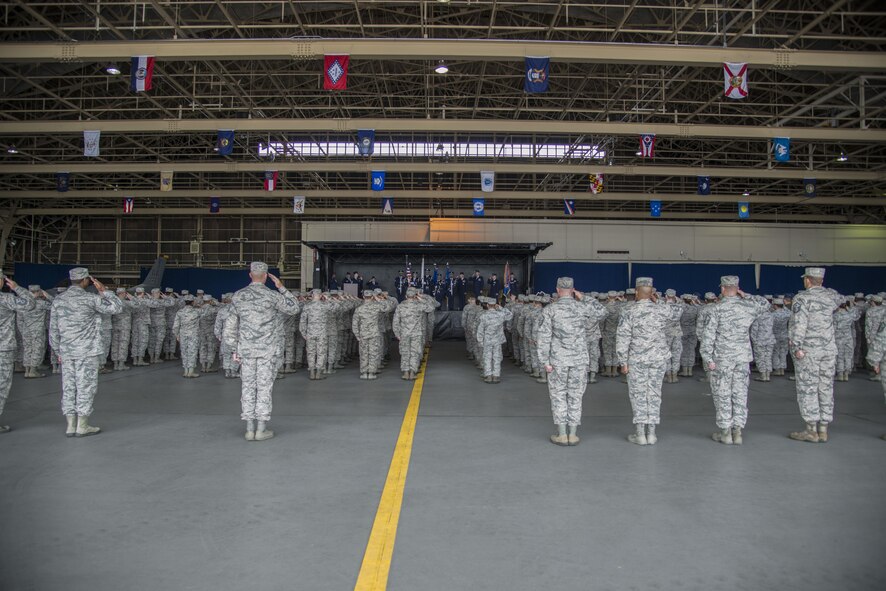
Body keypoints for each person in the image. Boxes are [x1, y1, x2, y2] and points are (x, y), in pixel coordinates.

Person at [223, 262, 300, 441]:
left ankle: (249, 429)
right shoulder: (272, 296)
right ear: (266, 276)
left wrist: (235, 348)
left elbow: (230, 327)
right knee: (264, 388)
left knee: (247, 387)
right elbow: (294, 308)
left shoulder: (239, 296)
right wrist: (281, 287)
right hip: (267, 351)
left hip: (246, 351)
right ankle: (261, 429)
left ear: (250, 275)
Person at [49, 268, 122, 437]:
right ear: (85, 281)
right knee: (85, 387)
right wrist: (105, 291)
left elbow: (53, 330)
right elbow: (117, 308)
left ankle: (70, 425)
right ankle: (82, 425)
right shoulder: (90, 299)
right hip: (86, 352)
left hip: (67, 352)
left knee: (68, 388)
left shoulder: (59, 300)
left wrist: (58, 350)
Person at [536, 277, 607, 446]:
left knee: (558, 395)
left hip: (557, 360)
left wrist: (544, 361)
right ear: (573, 290)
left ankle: (562, 434)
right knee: (576, 396)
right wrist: (584, 298)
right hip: (579, 360)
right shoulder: (582, 307)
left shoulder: (550, 310)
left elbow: (543, 337)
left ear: (557, 290)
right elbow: (603, 311)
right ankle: (573, 435)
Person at [700, 276, 770, 445]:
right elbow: (766, 304)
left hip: (722, 358)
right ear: (737, 288)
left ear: (722, 289)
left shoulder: (716, 309)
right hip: (742, 358)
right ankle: (737, 432)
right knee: (740, 393)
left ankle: (725, 432)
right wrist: (747, 296)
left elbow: (708, 336)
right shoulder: (748, 307)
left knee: (722, 394)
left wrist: (707, 358)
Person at [787, 268, 844, 443]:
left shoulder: (802, 298)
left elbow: (799, 324)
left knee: (808, 387)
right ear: (821, 280)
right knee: (826, 387)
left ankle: (811, 429)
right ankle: (824, 428)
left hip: (809, 350)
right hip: (828, 350)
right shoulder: (830, 297)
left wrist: (796, 347)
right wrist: (823, 287)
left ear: (807, 280)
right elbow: (841, 298)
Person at [616, 277, 671, 445]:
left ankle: (640, 434)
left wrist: (623, 362)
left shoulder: (629, 311)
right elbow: (676, 313)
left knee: (638, 395)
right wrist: (658, 301)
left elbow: (623, 337)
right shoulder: (663, 310)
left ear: (636, 292)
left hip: (637, 359)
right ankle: (652, 434)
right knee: (654, 394)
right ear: (652, 292)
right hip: (658, 359)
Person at [0, 274, 36, 433]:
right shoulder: (6, 299)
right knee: (1, 385)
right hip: (3, 349)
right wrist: (16, 288)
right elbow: (30, 303)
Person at [475, 296, 513, 383]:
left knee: (487, 357)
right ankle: (496, 376)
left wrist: (480, 341)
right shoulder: (500, 315)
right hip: (497, 340)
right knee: (497, 357)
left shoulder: (484, 316)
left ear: (487, 305)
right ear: (495, 305)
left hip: (487, 340)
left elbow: (480, 330)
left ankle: (488, 376)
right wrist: (500, 308)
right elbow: (510, 315)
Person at [393, 287, 427, 380]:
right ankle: (412, 372)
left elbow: (395, 322)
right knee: (414, 353)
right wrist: (420, 298)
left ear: (405, 296)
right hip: (416, 334)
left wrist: (397, 334)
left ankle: (405, 372)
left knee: (405, 352)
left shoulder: (400, 306)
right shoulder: (419, 305)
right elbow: (430, 307)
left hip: (404, 334)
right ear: (415, 296)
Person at [19, 285, 52, 378]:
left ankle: (27, 371)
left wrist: (22, 330)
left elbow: (20, 320)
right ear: (38, 292)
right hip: (37, 330)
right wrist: (47, 296)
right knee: (37, 349)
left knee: (27, 349)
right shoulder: (42, 303)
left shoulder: (23, 303)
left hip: (26, 330)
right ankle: (33, 371)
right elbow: (56, 304)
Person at [299, 289, 330, 380]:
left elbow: (302, 321)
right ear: (320, 296)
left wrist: (303, 333)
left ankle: (312, 373)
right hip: (322, 333)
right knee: (321, 352)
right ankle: (319, 373)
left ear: (312, 296)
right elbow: (338, 307)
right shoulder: (325, 305)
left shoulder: (307, 306)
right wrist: (328, 299)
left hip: (310, 333)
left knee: (311, 352)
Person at [352, 290, 384, 380]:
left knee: (363, 354)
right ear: (372, 297)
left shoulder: (359, 309)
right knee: (373, 353)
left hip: (363, 335)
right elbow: (388, 307)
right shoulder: (376, 307)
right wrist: (378, 299)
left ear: (363, 297)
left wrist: (357, 335)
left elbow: (354, 324)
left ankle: (364, 373)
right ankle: (371, 373)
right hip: (374, 334)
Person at [173, 295, 204, 378]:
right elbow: (206, 311)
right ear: (193, 302)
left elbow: (176, 325)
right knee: (192, 352)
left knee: (184, 352)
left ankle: (185, 371)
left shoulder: (180, 312)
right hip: (193, 335)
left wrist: (177, 335)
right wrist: (199, 305)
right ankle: (191, 372)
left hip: (183, 334)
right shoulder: (197, 311)